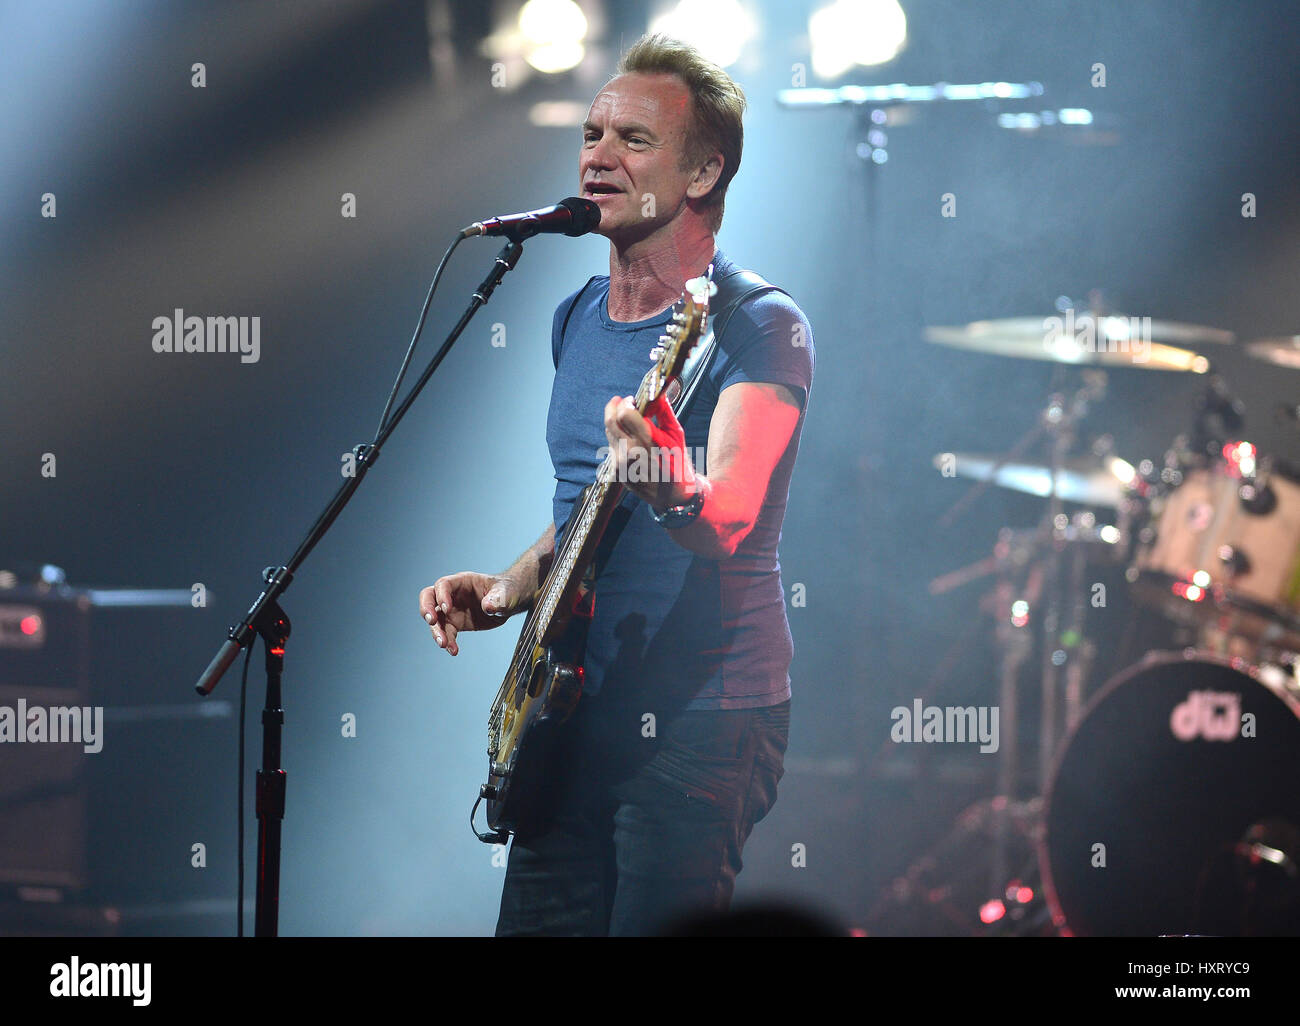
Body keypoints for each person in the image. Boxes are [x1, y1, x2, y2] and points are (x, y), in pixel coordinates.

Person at [418, 33, 815, 936]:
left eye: (632, 139)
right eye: (592, 133)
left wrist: (672, 481)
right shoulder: (574, 320)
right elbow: (591, 513)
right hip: (571, 705)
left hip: (700, 719)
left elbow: (731, 518)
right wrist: (505, 590)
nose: (597, 154)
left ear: (704, 173)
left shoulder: (760, 326)